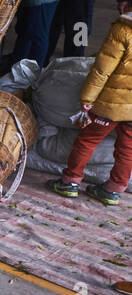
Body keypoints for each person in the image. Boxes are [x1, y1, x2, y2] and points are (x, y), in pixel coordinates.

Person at [48, 13, 132, 205]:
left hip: (111, 105)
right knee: (127, 149)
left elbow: (102, 70)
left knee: (87, 140)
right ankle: (113, 189)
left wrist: (87, 98)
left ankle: (70, 181)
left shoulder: (122, 30)